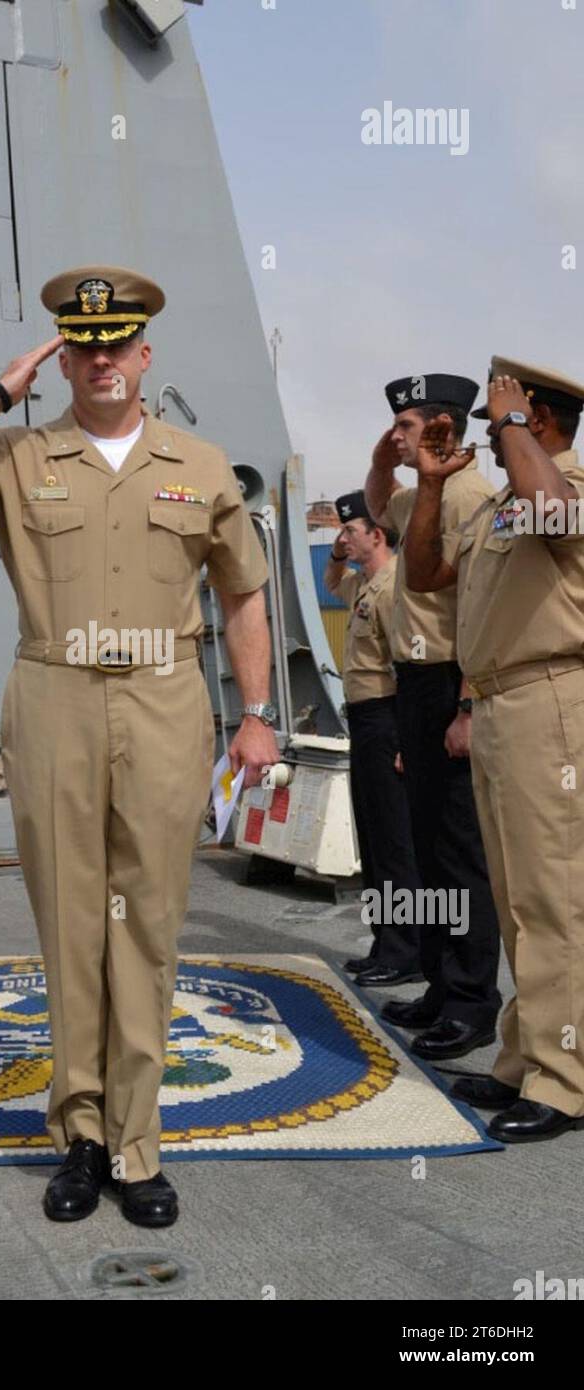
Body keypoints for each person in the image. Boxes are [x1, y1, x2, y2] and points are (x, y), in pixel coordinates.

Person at [0, 265, 279, 1225]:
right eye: (83, 346)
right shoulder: (20, 456)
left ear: (146, 356)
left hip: (163, 698)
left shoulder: (201, 464)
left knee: (146, 922)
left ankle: (138, 1143)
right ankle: (82, 1134)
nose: (102, 360)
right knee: (70, 924)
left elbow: (242, 595)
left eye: (118, 345)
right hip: (53, 695)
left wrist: (260, 714)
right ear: (64, 358)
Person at [403, 357, 584, 1143]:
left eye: (503, 417)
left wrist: (509, 422)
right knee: (514, 898)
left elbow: (554, 508)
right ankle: (523, 1057)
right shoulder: (497, 509)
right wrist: (435, 484)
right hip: (501, 703)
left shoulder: (563, 490)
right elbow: (423, 574)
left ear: (538, 420)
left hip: (554, 699)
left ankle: (568, 1080)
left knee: (555, 900)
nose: (488, 430)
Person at [364, 375, 502, 1062]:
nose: (397, 433)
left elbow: (485, 605)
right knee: (426, 849)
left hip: (454, 681)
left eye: (409, 426)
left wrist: (470, 703)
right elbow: (378, 507)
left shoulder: (473, 497)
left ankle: (474, 1002)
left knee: (459, 853)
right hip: (415, 685)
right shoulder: (423, 492)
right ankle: (441, 988)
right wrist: (386, 460)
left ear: (446, 428)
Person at [325, 491, 421, 987]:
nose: (343, 539)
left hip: (387, 720)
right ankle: (386, 942)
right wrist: (341, 554)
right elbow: (331, 581)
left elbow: (405, 671)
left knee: (395, 841)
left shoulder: (391, 590)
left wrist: (407, 741)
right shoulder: (364, 584)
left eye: (350, 533)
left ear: (377, 535)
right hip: (364, 720)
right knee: (374, 839)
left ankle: (407, 950)